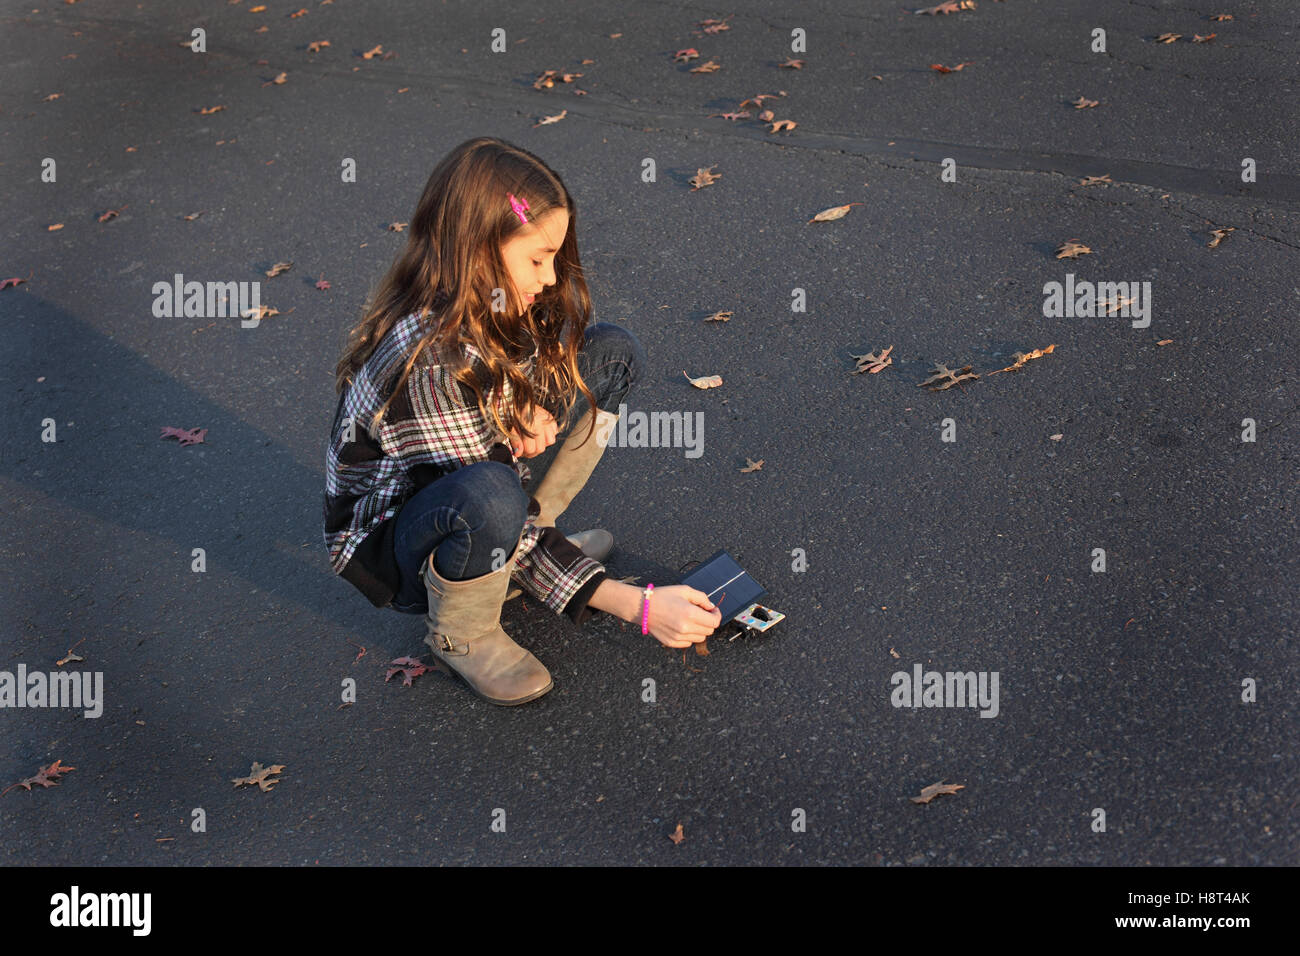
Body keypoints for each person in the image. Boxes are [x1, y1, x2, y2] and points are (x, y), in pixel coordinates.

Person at [324, 137, 722, 706]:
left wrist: (526, 400)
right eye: (536, 259)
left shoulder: (486, 299)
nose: (552, 277)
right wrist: (638, 605)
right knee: (492, 498)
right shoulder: (430, 359)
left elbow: (516, 362)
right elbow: (478, 466)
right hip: (390, 547)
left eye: (555, 257)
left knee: (610, 353)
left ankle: (517, 551)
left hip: (455, 481)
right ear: (478, 251)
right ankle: (462, 631)